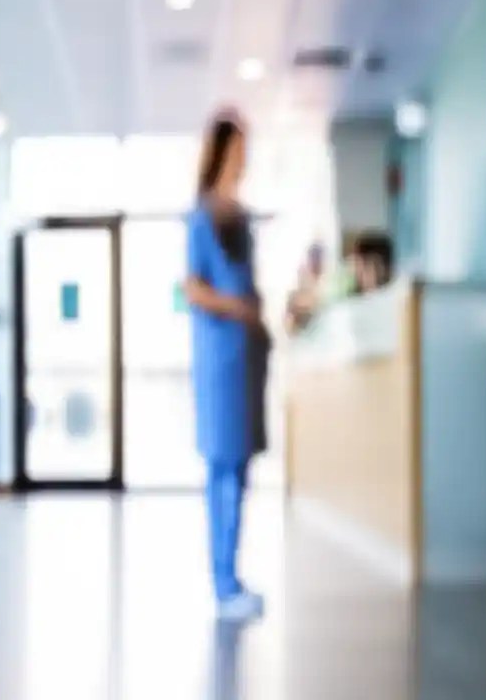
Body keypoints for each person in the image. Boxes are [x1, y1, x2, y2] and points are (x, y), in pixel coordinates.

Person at [183, 111, 269, 621]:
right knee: (221, 467)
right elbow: (193, 288)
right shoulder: (201, 218)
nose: (244, 158)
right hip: (218, 358)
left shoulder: (242, 217)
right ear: (220, 152)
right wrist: (236, 308)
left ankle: (233, 575)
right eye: (238, 148)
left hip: (246, 358)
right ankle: (224, 583)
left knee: (241, 467)